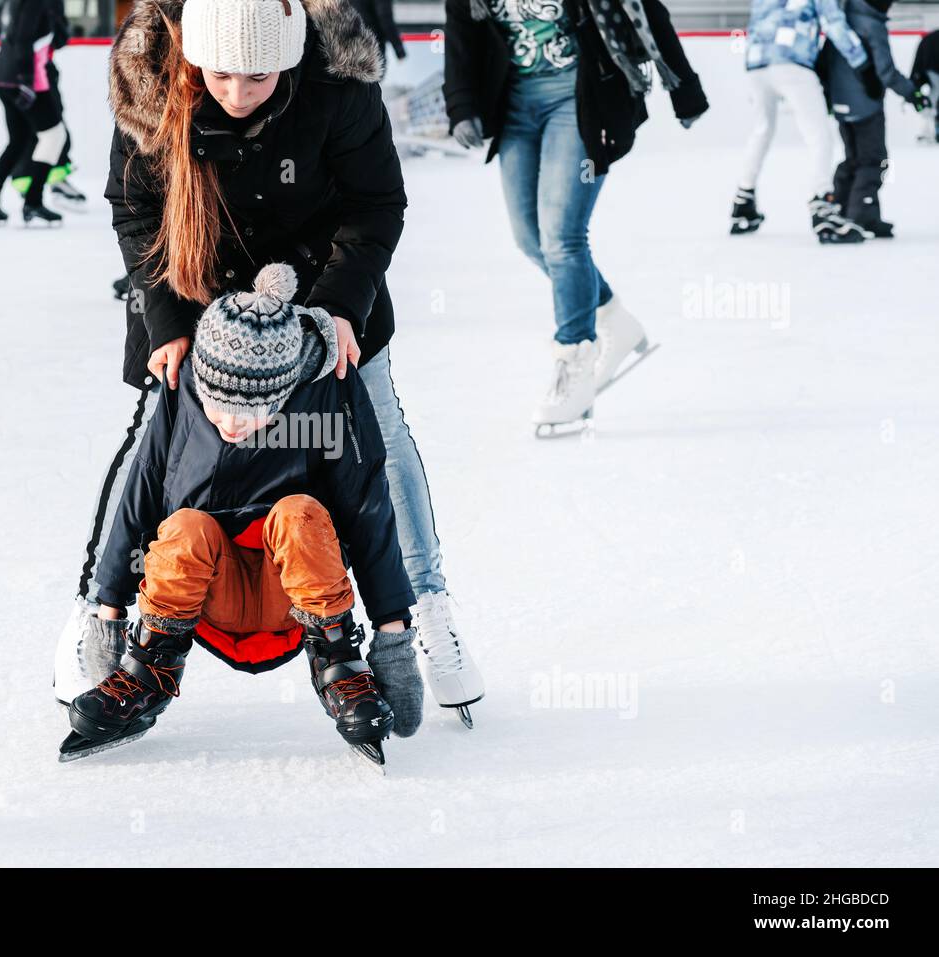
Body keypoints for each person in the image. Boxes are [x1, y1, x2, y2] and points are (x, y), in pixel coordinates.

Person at [57, 0, 485, 728]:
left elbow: (377, 203)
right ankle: (96, 614)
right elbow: (135, 211)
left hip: (323, 292)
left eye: (257, 76)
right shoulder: (154, 82)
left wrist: (341, 308)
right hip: (193, 292)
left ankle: (423, 616)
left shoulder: (337, 80)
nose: (235, 90)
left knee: (378, 441)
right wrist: (165, 322)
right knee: (151, 441)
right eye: (218, 73)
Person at [62, 265, 422, 766]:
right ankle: (151, 671)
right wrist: (109, 611)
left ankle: (339, 664)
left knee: (299, 512)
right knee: (185, 526)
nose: (231, 423)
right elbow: (140, 491)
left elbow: (368, 508)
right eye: (217, 408)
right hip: (200, 596)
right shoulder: (185, 380)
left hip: (294, 596)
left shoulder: (328, 392)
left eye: (251, 413)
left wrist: (393, 637)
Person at [443, 0, 708, 435]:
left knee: (562, 238)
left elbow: (645, 9)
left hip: (580, 95)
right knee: (529, 237)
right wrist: (460, 104)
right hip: (513, 101)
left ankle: (574, 362)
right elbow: (460, 34)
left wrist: (685, 87)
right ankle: (614, 320)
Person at [729, 0, 868, 242]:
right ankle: (822, 204)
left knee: (762, 129)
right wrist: (862, 63)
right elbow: (834, 23)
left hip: (756, 62)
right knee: (818, 135)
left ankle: (744, 199)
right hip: (792, 62)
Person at [821, 0, 932, 240]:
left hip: (842, 102)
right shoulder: (872, 25)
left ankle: (842, 207)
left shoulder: (842, 21)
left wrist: (830, 96)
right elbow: (886, 72)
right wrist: (912, 94)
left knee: (853, 158)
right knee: (874, 160)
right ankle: (860, 215)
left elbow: (826, 60)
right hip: (866, 104)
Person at [0, 0, 72, 225]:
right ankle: (33, 202)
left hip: (4, 79)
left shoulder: (7, 4)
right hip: (26, 79)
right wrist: (25, 81)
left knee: (18, 141)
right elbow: (25, 37)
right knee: (54, 136)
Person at [909, 28, 939, 143]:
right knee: (934, 97)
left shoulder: (930, 39)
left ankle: (928, 130)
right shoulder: (932, 40)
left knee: (934, 96)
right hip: (932, 67)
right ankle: (927, 130)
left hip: (929, 67)